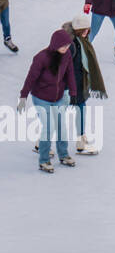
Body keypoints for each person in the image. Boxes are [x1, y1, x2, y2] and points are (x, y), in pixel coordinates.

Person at [19, 28, 76, 172]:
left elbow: (70, 74)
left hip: (58, 97)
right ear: (55, 45)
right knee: (48, 128)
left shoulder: (67, 54)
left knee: (61, 126)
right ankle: (44, 160)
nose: (66, 48)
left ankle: (63, 154)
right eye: (63, 46)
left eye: (68, 46)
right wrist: (23, 96)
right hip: (41, 97)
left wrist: (73, 93)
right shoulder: (41, 58)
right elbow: (31, 78)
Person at [62, 13, 105, 154]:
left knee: (80, 110)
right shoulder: (72, 46)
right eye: (87, 29)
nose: (89, 32)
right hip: (69, 87)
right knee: (58, 114)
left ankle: (81, 141)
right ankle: (42, 142)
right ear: (81, 30)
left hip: (79, 85)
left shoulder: (81, 43)